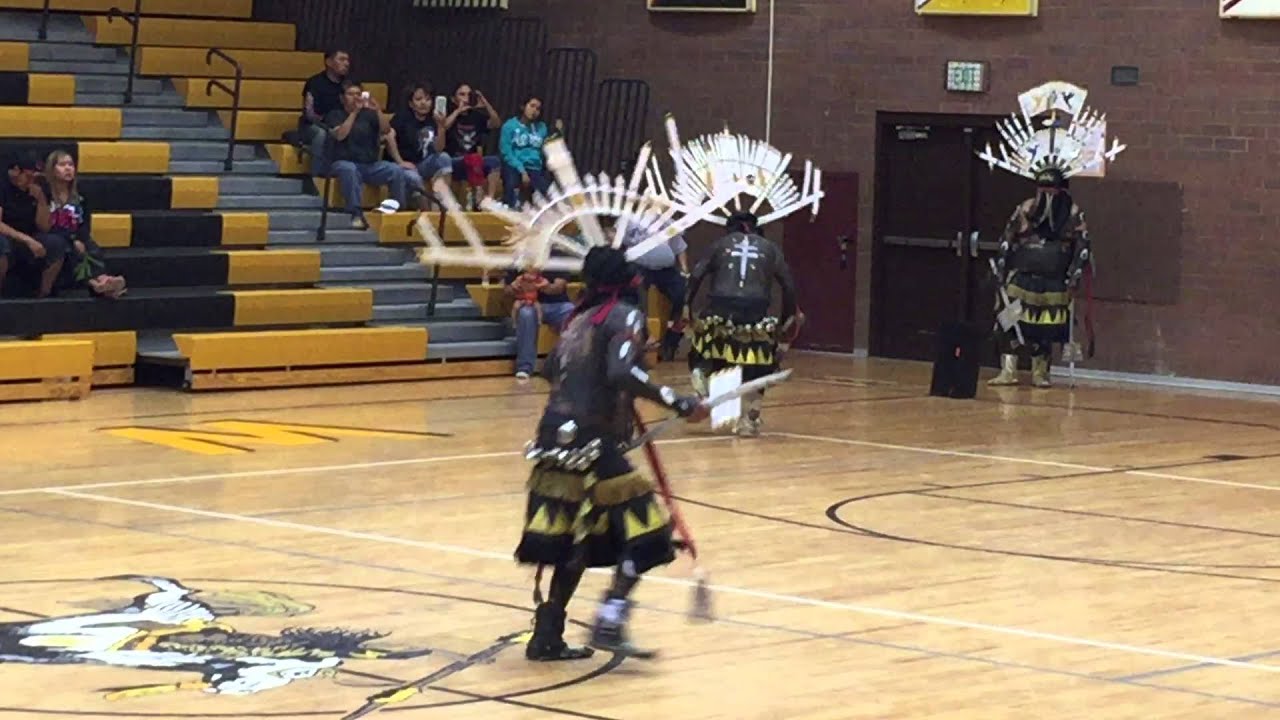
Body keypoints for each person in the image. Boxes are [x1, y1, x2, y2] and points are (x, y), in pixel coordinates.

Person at [516, 245, 709, 660]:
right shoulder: (624, 315)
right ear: (631, 280)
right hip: (589, 441)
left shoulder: (576, 319)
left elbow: (554, 373)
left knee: (575, 540)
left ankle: (547, 634)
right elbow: (621, 372)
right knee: (651, 532)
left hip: (553, 438)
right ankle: (610, 618)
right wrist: (680, 402)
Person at [685, 211, 798, 436]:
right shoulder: (770, 248)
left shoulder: (719, 244)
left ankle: (701, 373)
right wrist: (786, 320)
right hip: (755, 310)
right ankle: (749, 418)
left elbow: (695, 276)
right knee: (759, 365)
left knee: (705, 350)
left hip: (719, 308)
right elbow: (788, 286)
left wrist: (685, 307)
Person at [986, 166, 1090, 388]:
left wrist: (1075, 274)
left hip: (1053, 283)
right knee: (1008, 322)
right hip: (1021, 280)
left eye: (1052, 190)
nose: (1047, 195)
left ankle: (1040, 372)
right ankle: (1008, 371)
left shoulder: (1072, 213)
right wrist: (1001, 269)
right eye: (1043, 189)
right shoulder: (1025, 208)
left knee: (1046, 328)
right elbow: (1007, 238)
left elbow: (1082, 246)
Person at [323, 80, 406, 229]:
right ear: (342, 98)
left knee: (395, 170)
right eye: (350, 94)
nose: (355, 97)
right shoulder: (334, 115)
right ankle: (355, 213)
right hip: (343, 161)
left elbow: (386, 131)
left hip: (369, 164)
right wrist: (354, 113)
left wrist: (378, 111)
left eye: (358, 94)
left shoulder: (369, 114)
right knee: (349, 169)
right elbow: (340, 135)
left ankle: (395, 211)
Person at [43, 149, 126, 299]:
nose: (68, 168)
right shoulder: (45, 194)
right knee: (70, 248)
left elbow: (84, 223)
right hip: (54, 236)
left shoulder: (80, 196)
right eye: (62, 165)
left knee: (91, 245)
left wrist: (80, 238)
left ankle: (103, 280)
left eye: (71, 164)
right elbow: (45, 224)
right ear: (52, 169)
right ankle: (96, 284)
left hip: (75, 235)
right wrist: (73, 240)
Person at [621, 219, 690, 361]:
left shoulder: (668, 222)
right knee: (637, 297)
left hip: (665, 269)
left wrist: (684, 269)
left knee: (680, 292)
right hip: (638, 267)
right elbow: (618, 243)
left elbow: (680, 248)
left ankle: (671, 335)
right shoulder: (629, 221)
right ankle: (644, 336)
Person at [0, 151, 66, 298]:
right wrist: (27, 240)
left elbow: (45, 227)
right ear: (16, 171)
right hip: (8, 236)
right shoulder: (3, 186)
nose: (30, 181)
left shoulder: (37, 189)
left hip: (29, 237)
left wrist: (41, 200)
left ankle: (43, 293)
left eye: (33, 178)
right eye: (28, 176)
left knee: (57, 243)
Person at [504, 257, 573, 380]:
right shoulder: (518, 256)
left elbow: (560, 287)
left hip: (557, 305)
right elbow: (507, 290)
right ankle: (525, 367)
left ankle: (570, 364)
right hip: (527, 303)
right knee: (526, 314)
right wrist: (515, 288)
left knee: (571, 311)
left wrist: (546, 287)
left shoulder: (557, 254)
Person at [386, 81, 452, 208]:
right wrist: (400, 161)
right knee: (414, 178)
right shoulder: (401, 118)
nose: (423, 103)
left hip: (423, 163)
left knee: (444, 157)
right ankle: (426, 213)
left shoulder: (433, 119)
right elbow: (389, 138)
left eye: (427, 99)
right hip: (404, 165)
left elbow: (439, 148)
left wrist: (441, 127)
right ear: (411, 103)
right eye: (419, 99)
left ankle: (441, 203)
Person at [442, 83, 501, 209]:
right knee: (474, 158)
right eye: (461, 94)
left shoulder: (477, 117)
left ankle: (489, 201)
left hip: (475, 162)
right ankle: (477, 199)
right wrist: (458, 111)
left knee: (494, 161)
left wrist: (485, 104)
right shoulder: (448, 114)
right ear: (453, 99)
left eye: (469, 94)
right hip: (453, 161)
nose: (466, 97)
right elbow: (443, 127)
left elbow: (496, 123)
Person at [498, 94, 559, 208]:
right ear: (523, 106)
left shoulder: (541, 127)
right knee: (512, 184)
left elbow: (544, 149)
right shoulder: (509, 126)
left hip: (535, 168)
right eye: (532, 106)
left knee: (548, 193)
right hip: (515, 166)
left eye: (538, 109)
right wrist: (522, 170)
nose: (534, 111)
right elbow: (506, 152)